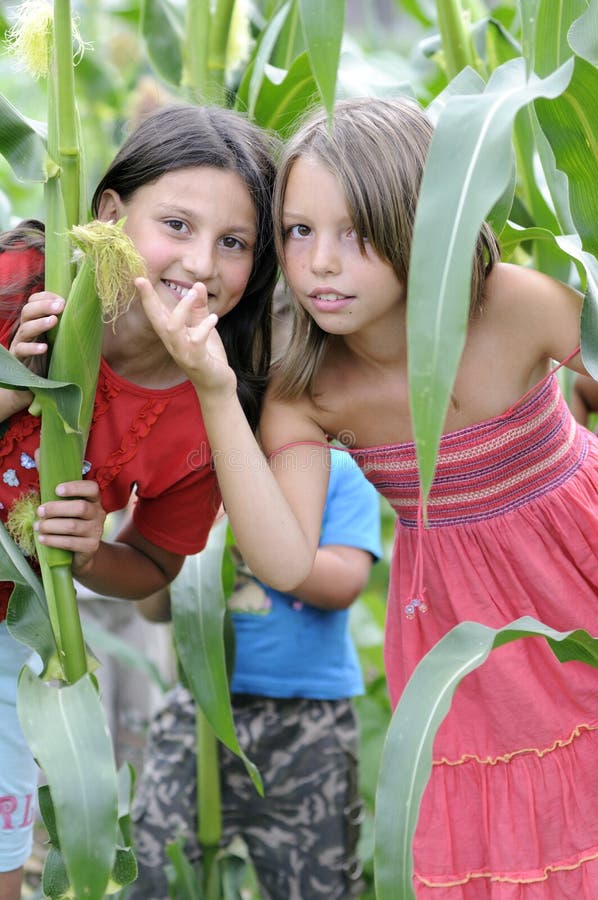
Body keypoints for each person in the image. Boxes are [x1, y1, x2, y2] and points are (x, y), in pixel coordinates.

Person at [138, 96, 598, 896]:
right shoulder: (312, 387)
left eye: (355, 234)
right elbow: (284, 558)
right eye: (299, 231)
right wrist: (215, 390)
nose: (319, 264)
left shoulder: (518, 306)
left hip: (579, 565)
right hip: (467, 649)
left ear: (422, 224)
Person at [0, 102, 277, 900]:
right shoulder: (25, 281)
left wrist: (90, 554)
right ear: (111, 215)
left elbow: (154, 560)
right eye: (178, 225)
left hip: (10, 628)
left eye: (234, 243)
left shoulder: (213, 405)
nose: (200, 262)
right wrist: (10, 387)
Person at [129, 447, 382, 900]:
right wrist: (177, 535)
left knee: (317, 886)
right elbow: (152, 606)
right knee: (152, 871)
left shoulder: (335, 468)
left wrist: (254, 529)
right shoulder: (191, 467)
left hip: (308, 727)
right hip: (201, 712)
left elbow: (344, 582)